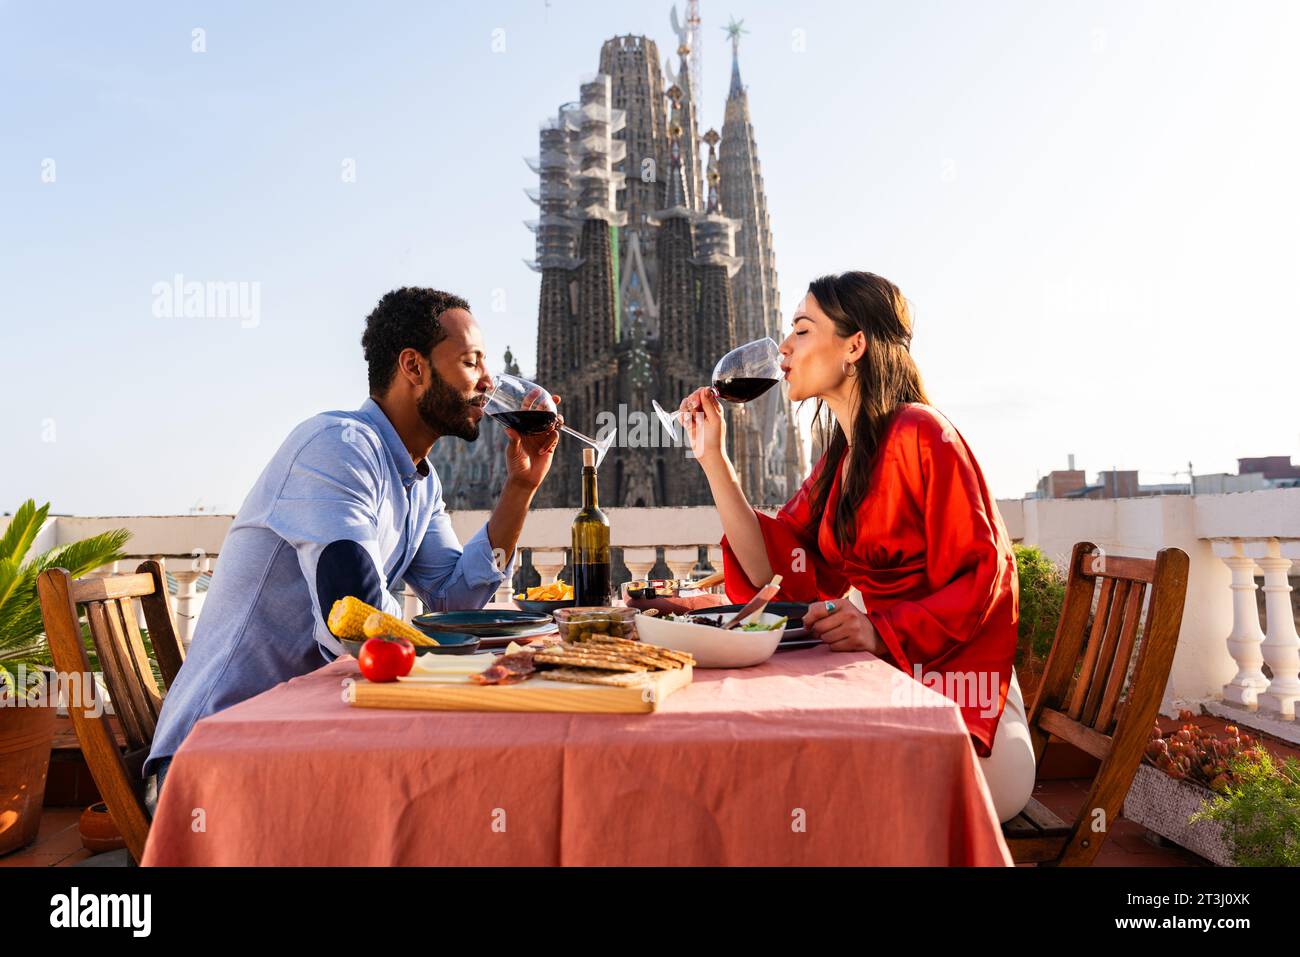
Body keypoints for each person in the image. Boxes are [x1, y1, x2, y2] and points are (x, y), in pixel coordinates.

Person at [144, 287, 560, 803]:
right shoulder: (338, 449)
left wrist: (520, 489)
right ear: (414, 366)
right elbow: (357, 618)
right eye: (471, 362)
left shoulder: (418, 478)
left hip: (307, 732)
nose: (489, 383)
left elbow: (455, 599)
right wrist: (483, 668)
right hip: (215, 755)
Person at [678, 271, 1034, 824]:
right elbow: (779, 568)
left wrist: (878, 630)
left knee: (797, 784)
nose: (784, 349)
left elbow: (984, 576)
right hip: (893, 682)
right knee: (769, 766)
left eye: (800, 329)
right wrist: (713, 461)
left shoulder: (922, 432)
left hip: (960, 709)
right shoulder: (842, 458)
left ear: (855, 345)